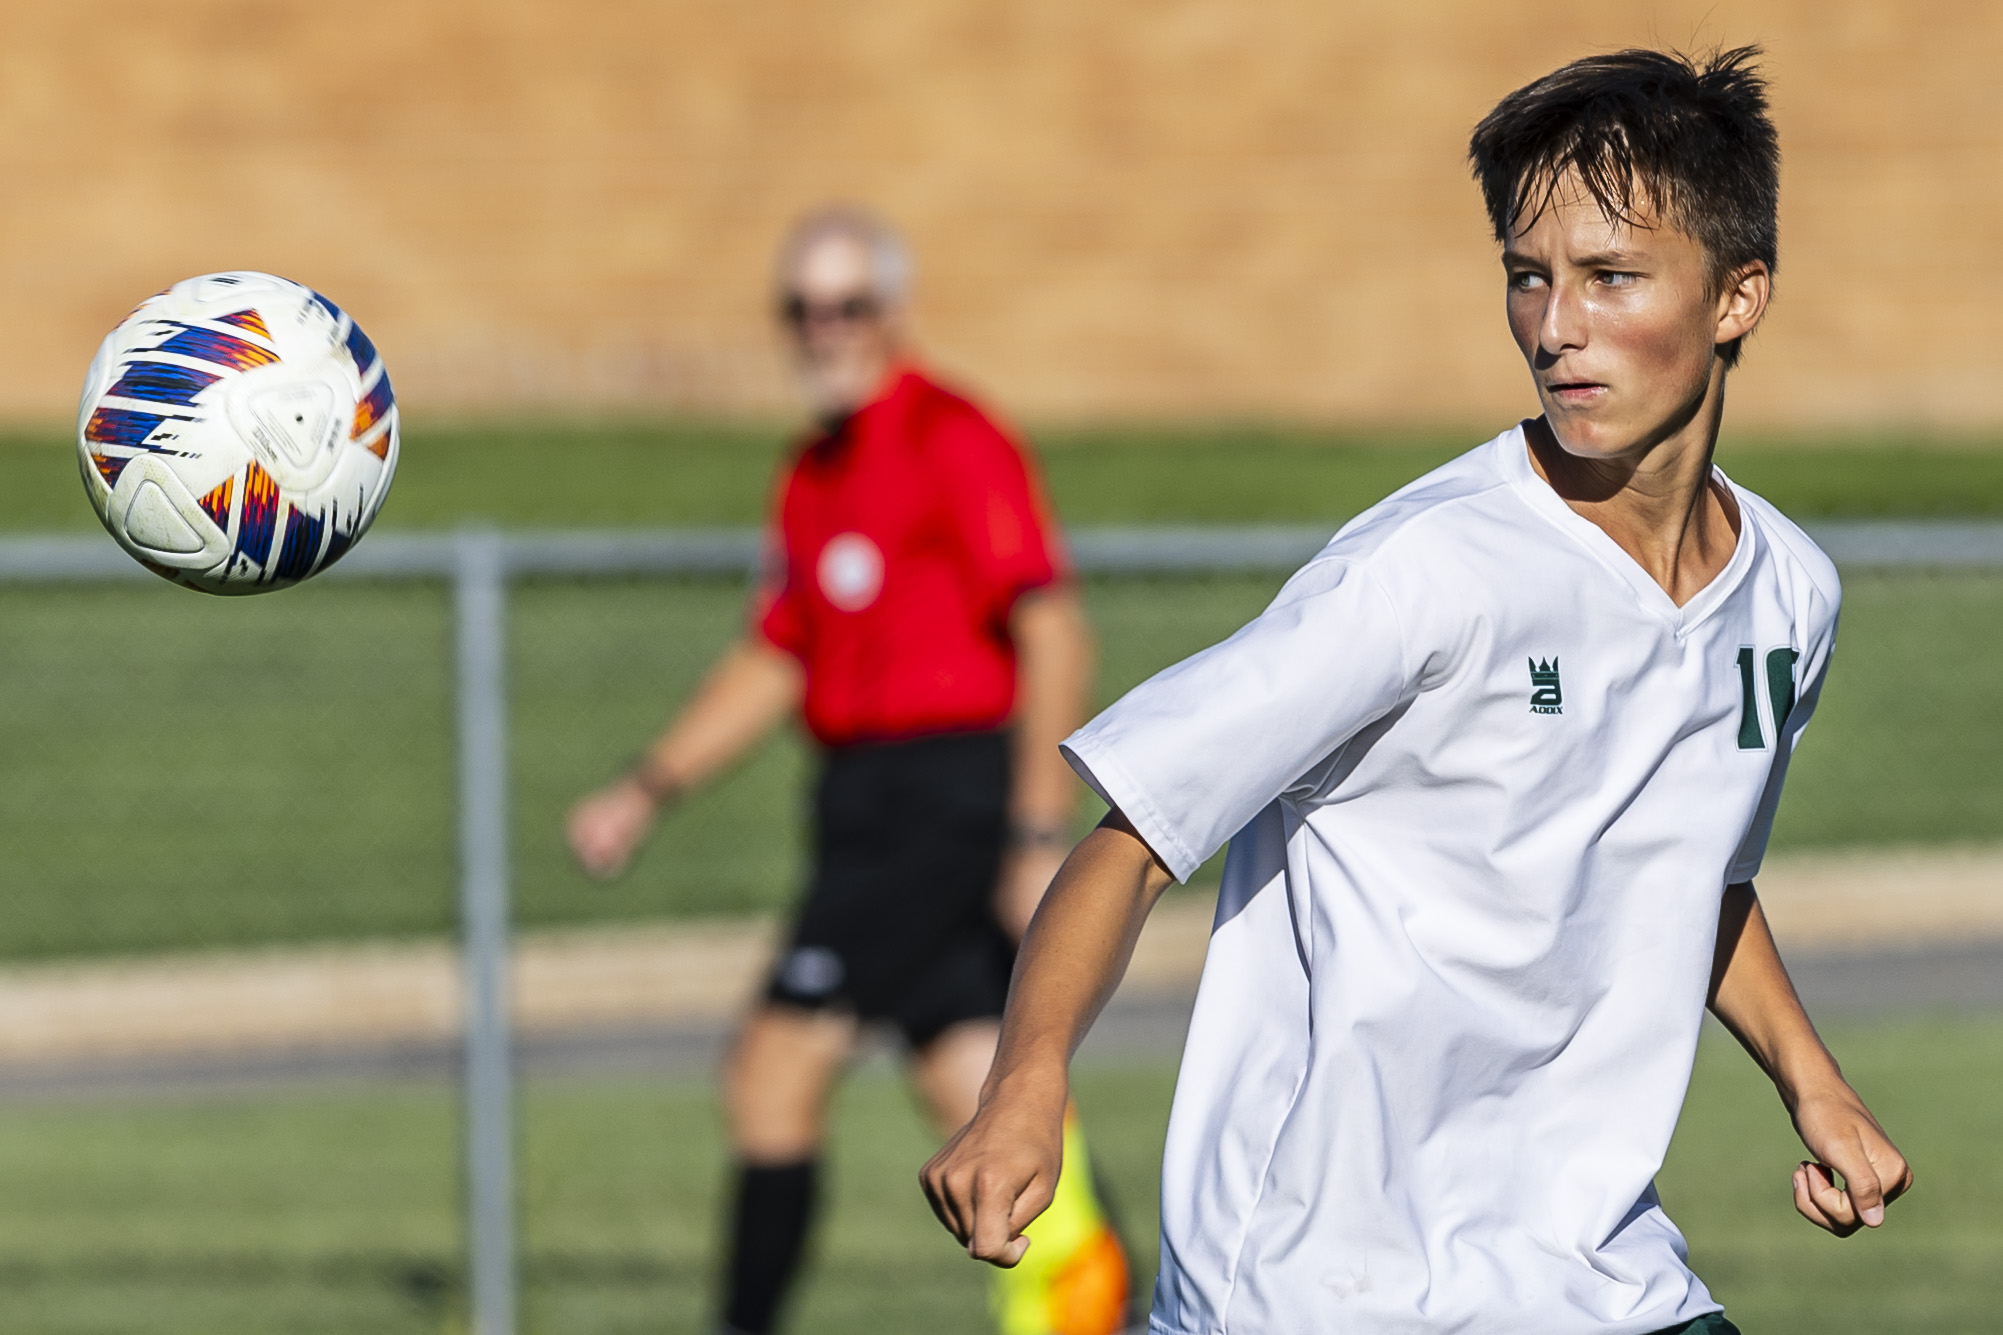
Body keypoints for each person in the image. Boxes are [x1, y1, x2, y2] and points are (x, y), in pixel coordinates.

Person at [923, 47, 1913, 1335]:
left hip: (1598, 1280)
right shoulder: (1423, 572)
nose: (1556, 328)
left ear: (1737, 296)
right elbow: (1139, 832)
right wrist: (1022, 1085)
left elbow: (1695, 873)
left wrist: (1811, 1084)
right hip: (1315, 1290)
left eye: (1610, 278)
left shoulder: (1790, 597)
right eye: (1526, 277)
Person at [567, 206, 1131, 1335]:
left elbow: (1052, 630)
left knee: (770, 1069)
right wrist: (647, 786)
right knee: (973, 1075)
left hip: (945, 800)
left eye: (847, 308)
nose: (823, 332)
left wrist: (1032, 833)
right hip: (857, 805)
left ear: (890, 314)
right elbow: (778, 656)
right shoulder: (812, 471)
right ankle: (1107, 1307)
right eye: (801, 310)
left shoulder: (952, 437)